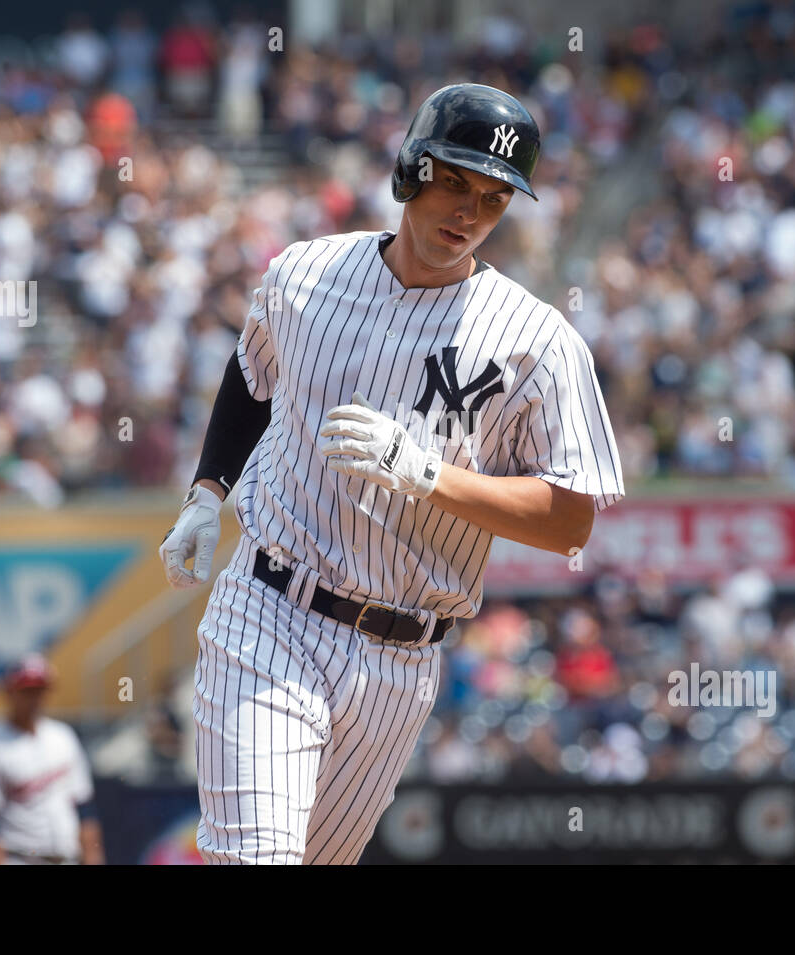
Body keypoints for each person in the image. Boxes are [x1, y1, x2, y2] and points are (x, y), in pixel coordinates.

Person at [159, 83, 624, 864]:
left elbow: (570, 517)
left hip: (401, 655)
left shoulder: (537, 343)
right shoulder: (305, 274)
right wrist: (208, 491)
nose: (468, 211)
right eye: (453, 181)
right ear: (411, 168)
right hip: (269, 607)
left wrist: (426, 473)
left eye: (493, 196)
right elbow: (252, 372)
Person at [0, 654, 104, 865]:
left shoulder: (63, 737)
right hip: (18, 858)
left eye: (39, 690)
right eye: (27, 691)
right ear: (8, 692)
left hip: (68, 858)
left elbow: (84, 805)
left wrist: (93, 857)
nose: (34, 698)